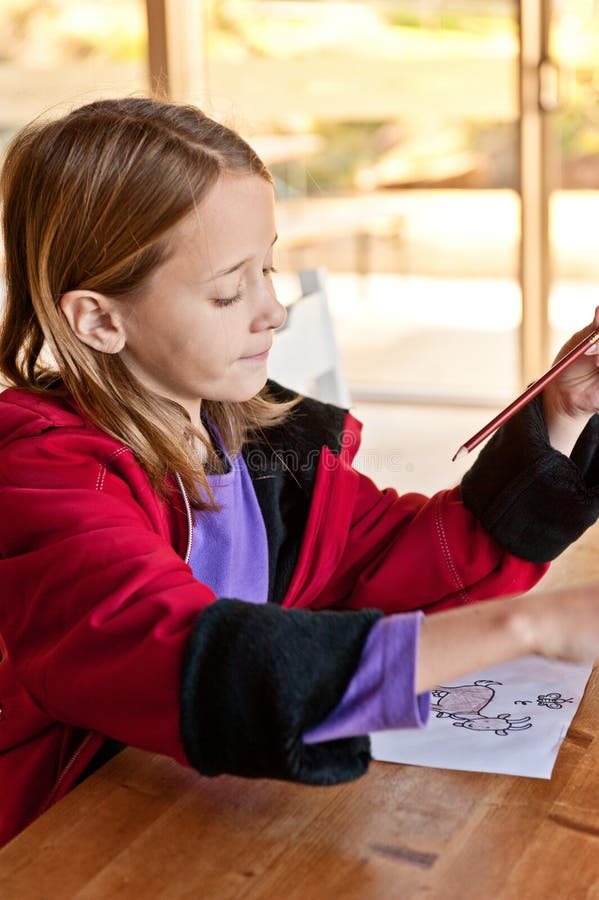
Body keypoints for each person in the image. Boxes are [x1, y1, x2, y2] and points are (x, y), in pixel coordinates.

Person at [1, 97, 599, 848]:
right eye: (228, 290)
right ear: (98, 321)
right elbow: (192, 662)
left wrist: (563, 413)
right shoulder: (47, 479)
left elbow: (406, 567)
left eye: (269, 267)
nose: (274, 310)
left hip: (204, 818)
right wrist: (527, 626)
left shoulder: (256, 445)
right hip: (69, 844)